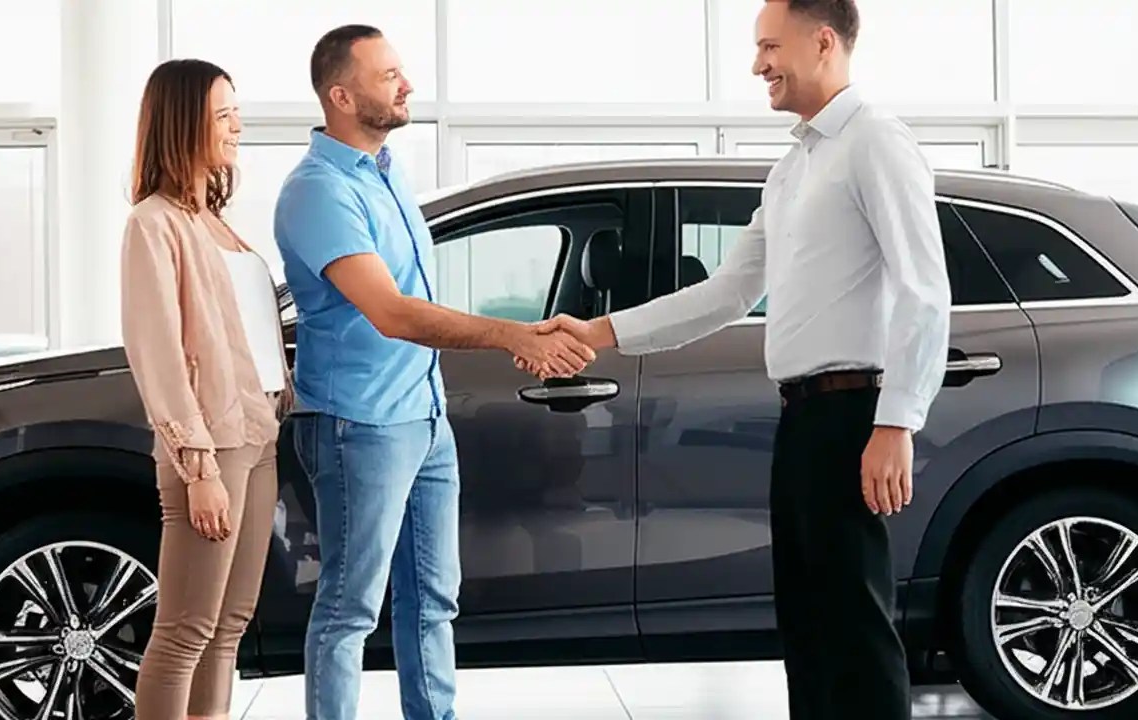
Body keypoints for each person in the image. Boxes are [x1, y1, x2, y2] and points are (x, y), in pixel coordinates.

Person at [524, 1, 951, 717]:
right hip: (804, 421)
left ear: (823, 42)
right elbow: (726, 293)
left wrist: (896, 422)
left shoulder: (876, 140)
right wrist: (597, 332)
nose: (758, 66)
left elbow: (924, 289)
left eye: (769, 47)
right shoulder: (793, 169)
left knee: (854, 627)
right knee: (809, 627)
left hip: (854, 415)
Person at [272, 24, 594, 720]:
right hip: (360, 423)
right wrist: (511, 335)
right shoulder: (318, 191)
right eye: (388, 75)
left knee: (432, 599)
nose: (407, 85)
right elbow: (391, 312)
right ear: (341, 95)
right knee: (350, 607)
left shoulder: (387, 174)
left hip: (423, 416)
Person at [120, 58, 294, 720]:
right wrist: (198, 468)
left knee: (228, 629)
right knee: (185, 632)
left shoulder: (214, 221)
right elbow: (158, 353)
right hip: (210, 447)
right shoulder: (153, 223)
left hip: (257, 433)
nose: (236, 127)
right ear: (184, 123)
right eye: (223, 115)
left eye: (235, 113)